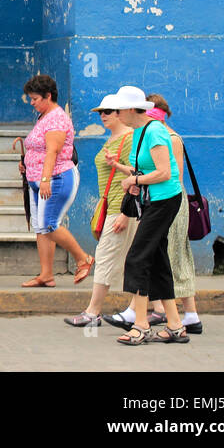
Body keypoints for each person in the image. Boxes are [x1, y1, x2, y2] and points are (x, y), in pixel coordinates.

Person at [103, 85, 190, 344]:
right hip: (153, 201)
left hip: (164, 200)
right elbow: (142, 167)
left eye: (118, 110)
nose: (115, 114)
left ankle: (140, 325)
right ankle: (175, 325)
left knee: (137, 258)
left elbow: (164, 172)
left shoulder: (154, 132)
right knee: (158, 259)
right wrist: (123, 170)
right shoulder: (140, 131)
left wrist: (135, 181)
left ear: (131, 109)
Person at [64, 98, 151, 328]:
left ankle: (93, 312)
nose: (103, 115)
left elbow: (136, 174)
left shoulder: (129, 138)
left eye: (108, 111)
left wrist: (126, 212)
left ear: (120, 112)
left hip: (121, 207)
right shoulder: (111, 139)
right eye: (100, 112)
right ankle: (147, 308)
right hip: (110, 204)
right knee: (125, 260)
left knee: (104, 257)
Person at [16, 74, 93, 287]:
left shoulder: (57, 119)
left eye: (35, 99)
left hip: (56, 178)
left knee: (50, 224)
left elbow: (52, 152)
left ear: (48, 96)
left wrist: (45, 179)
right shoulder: (43, 117)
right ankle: (46, 275)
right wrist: (27, 166)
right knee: (41, 228)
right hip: (38, 179)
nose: (32, 103)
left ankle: (82, 258)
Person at [146, 93, 203, 334]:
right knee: (167, 257)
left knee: (175, 257)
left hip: (172, 203)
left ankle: (188, 315)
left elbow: (174, 176)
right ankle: (168, 310)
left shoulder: (170, 138)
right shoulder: (159, 136)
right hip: (165, 202)